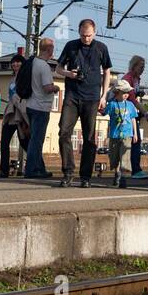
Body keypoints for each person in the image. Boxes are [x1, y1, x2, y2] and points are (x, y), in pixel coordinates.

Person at [56, 19, 113, 187]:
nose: (86, 39)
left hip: (92, 97)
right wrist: (69, 74)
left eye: (88, 36)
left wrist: (104, 96)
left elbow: (107, 71)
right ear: (79, 32)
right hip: (72, 96)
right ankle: (68, 172)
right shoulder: (71, 46)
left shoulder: (101, 48)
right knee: (63, 133)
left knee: (89, 138)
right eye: (82, 35)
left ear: (94, 33)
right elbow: (58, 69)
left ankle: (85, 176)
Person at [22, 38, 59, 179]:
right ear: (49, 50)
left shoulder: (33, 63)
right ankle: (31, 169)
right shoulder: (44, 66)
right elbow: (47, 87)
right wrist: (56, 88)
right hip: (41, 107)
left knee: (35, 139)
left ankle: (40, 168)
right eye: (52, 48)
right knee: (36, 141)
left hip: (31, 105)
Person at [0, 55, 30, 178]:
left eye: (18, 62)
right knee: (4, 141)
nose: (15, 65)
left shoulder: (27, 78)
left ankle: (35, 166)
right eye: (13, 63)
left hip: (21, 112)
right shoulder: (11, 79)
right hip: (11, 112)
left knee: (25, 142)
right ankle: (4, 170)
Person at [103, 78, 139, 188]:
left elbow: (133, 119)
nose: (126, 95)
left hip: (127, 134)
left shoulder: (130, 105)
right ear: (117, 93)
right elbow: (103, 112)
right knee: (115, 156)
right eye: (124, 92)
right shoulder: (112, 104)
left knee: (125, 155)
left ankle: (123, 177)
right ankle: (117, 173)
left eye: (127, 93)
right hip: (114, 134)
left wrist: (135, 133)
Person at [122, 55, 148, 179]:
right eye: (141, 66)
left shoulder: (136, 79)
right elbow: (133, 100)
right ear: (134, 66)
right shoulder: (128, 79)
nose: (143, 69)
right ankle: (134, 170)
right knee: (130, 140)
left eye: (144, 66)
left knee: (136, 140)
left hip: (131, 113)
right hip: (124, 113)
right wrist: (146, 113)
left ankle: (135, 169)